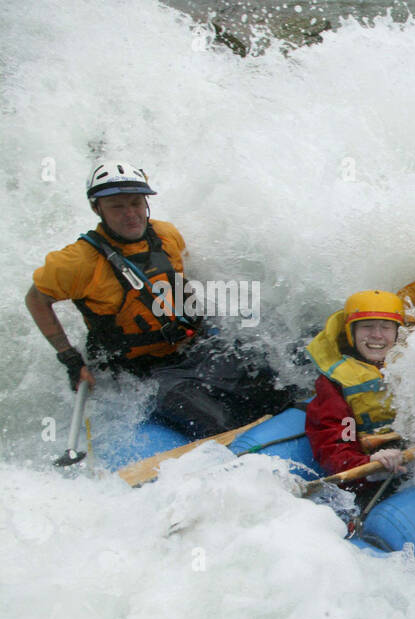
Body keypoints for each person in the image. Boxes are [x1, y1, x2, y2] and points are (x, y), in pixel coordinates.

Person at [25, 160, 292, 438]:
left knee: (278, 387)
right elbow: (35, 300)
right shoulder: (76, 262)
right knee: (216, 423)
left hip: (195, 349)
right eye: (117, 206)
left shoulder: (166, 235)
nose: (131, 214)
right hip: (146, 373)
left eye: (136, 203)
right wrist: (70, 358)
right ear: (97, 208)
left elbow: (185, 284)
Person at [303, 290, 412, 495]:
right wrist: (370, 462)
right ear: (351, 332)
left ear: (398, 333)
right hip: (371, 471)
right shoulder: (335, 384)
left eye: (386, 327)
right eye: (367, 327)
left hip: (414, 457)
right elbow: (334, 445)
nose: (377, 335)